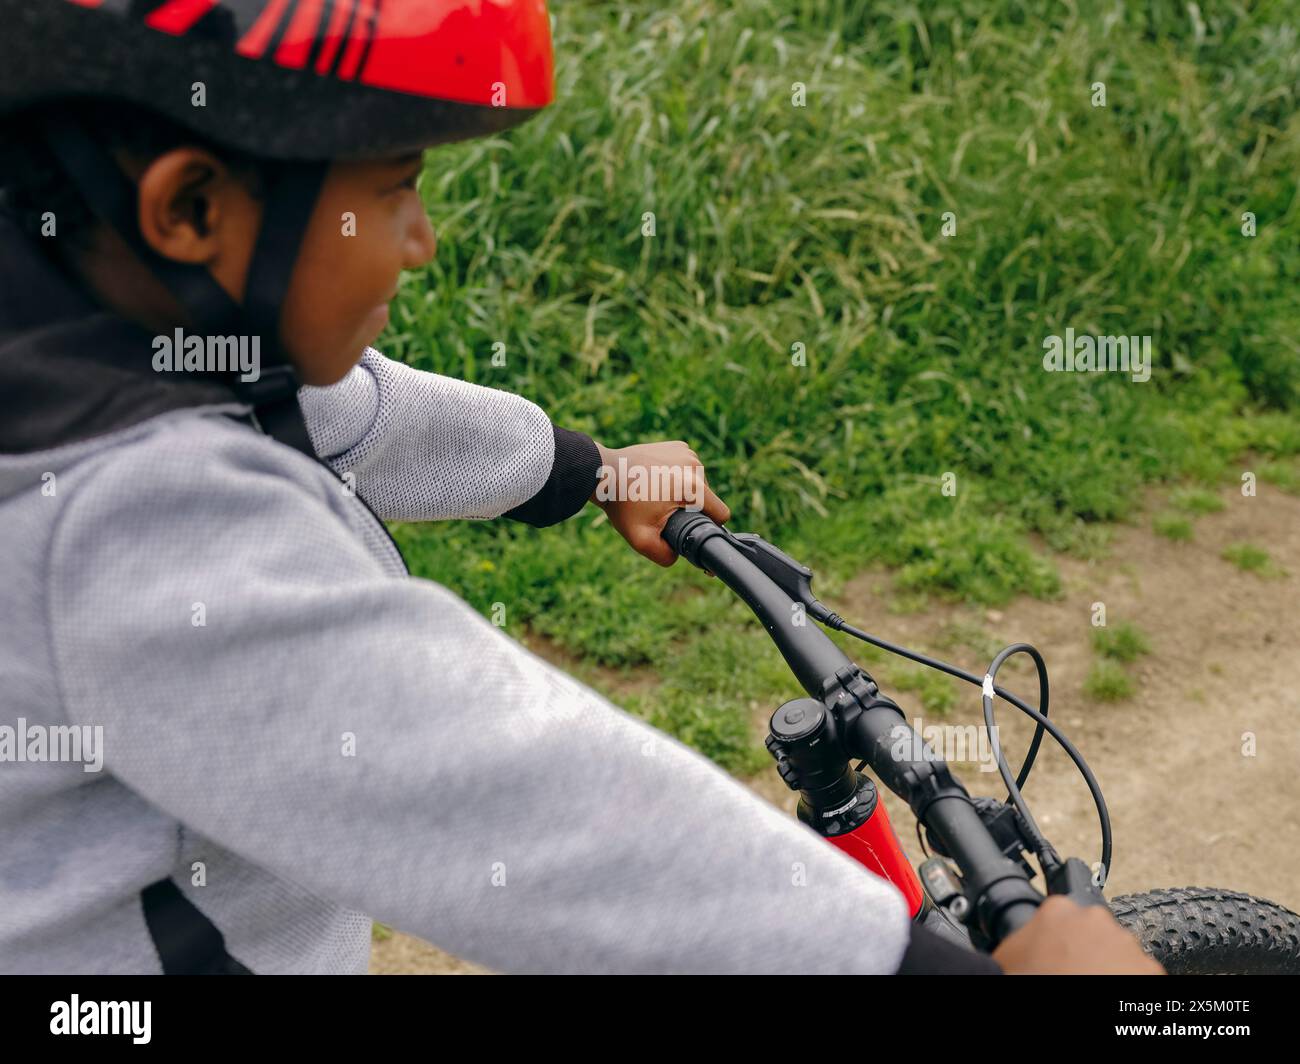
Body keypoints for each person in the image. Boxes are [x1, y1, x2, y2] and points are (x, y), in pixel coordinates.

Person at [0, 0, 1160, 975]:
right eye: (396, 187)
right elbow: (514, 800)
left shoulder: (90, 338)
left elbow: (362, 413)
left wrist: (588, 471)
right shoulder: (129, 519)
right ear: (191, 208)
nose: (421, 240)